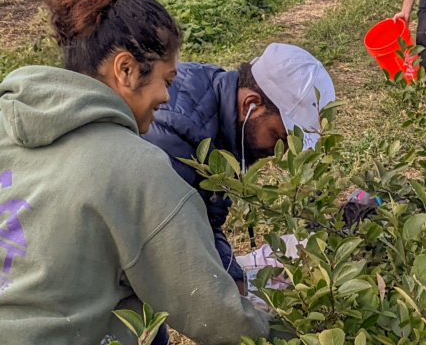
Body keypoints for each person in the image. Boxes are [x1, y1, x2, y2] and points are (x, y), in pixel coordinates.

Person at [0, 0, 275, 345]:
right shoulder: (135, 167)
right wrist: (283, 341)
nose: (165, 96)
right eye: (166, 79)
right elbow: (212, 312)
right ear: (125, 69)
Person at [143, 43, 336, 291]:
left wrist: (236, 280)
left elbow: (204, 222)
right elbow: (173, 241)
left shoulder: (221, 111)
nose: (281, 152)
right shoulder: (174, 133)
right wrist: (234, 298)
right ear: (251, 104)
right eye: (279, 137)